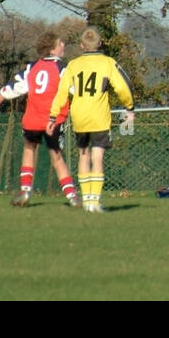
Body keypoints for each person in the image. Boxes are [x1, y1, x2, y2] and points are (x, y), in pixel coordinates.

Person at [0, 32, 80, 207]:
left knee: (29, 150)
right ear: (52, 49)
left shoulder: (32, 68)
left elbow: (10, 89)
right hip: (53, 120)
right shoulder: (63, 68)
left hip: (32, 120)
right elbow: (77, 91)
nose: (63, 45)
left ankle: (25, 192)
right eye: (60, 43)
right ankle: (72, 197)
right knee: (56, 157)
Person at [46, 27, 135, 213]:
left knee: (83, 156)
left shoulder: (73, 65)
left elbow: (62, 92)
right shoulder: (108, 63)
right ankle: (95, 201)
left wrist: (53, 115)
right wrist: (129, 107)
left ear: (81, 46)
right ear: (100, 44)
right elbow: (123, 87)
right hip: (99, 117)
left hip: (79, 117)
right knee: (98, 157)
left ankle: (86, 200)